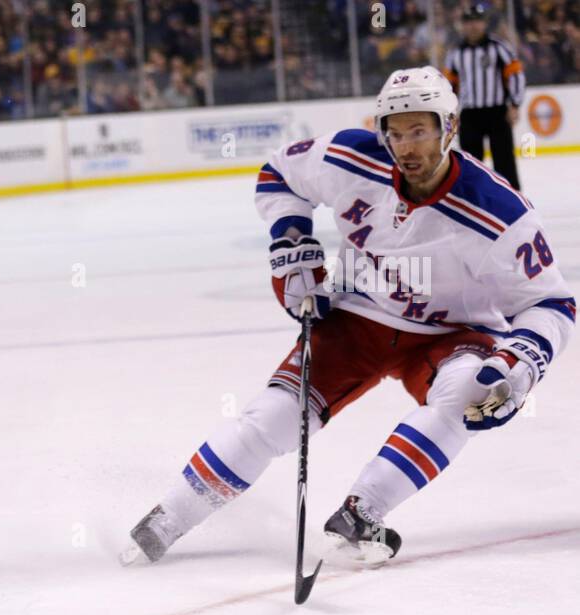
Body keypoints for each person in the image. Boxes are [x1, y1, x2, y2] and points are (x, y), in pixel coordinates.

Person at [125, 66, 572, 566]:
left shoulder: (499, 212)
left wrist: (522, 362)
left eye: (420, 131)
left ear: (449, 127)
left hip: (451, 333)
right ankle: (167, 519)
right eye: (396, 133)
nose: (406, 146)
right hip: (359, 313)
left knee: (469, 396)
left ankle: (363, 512)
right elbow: (280, 172)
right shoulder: (352, 157)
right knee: (272, 417)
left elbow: (551, 303)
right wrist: (291, 239)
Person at [444, 2, 525, 189]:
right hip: (470, 114)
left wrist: (515, 104)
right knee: (470, 163)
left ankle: (511, 199)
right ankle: (472, 201)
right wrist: (450, 112)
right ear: (462, 25)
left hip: (497, 112)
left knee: (504, 160)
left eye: (477, 21)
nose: (473, 26)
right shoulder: (456, 53)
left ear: (484, 23)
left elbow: (516, 75)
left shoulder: (499, 48)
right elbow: (449, 86)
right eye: (469, 22)